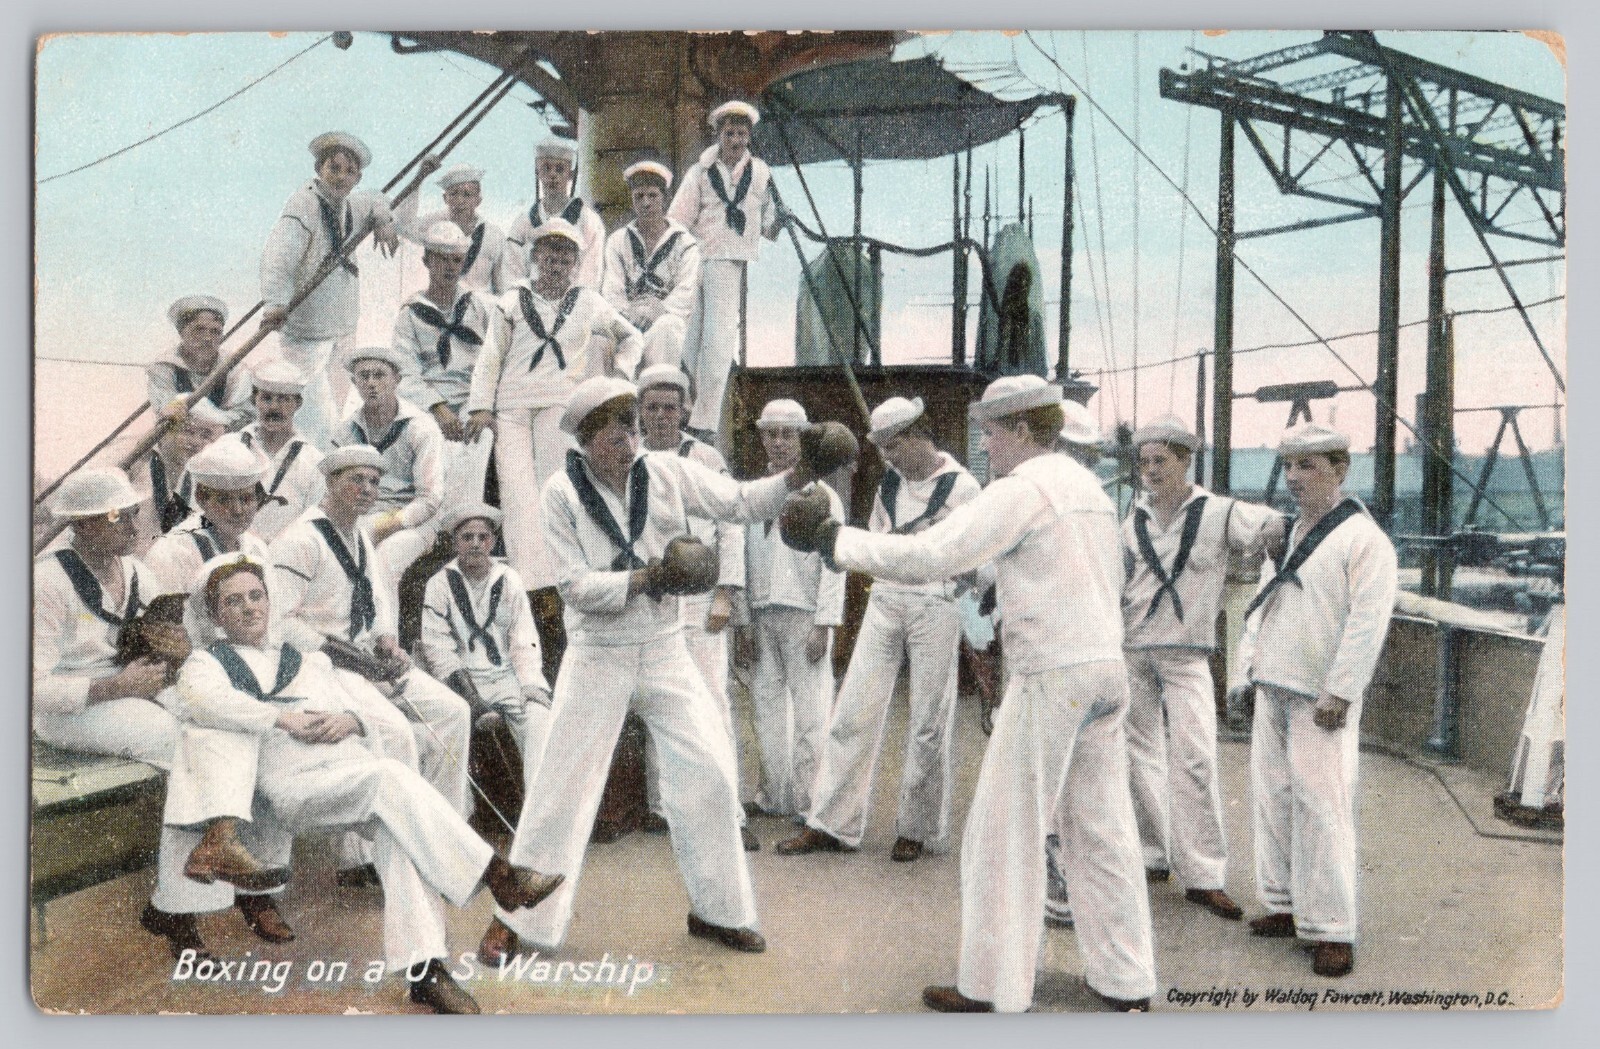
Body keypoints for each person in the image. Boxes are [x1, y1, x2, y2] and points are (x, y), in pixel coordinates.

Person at [778, 375, 1157, 1013]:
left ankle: (991, 986)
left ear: (1020, 430)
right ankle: (1127, 979)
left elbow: (936, 555)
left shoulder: (1023, 488)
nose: (985, 443)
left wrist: (835, 542)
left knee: (1001, 830)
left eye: (992, 430)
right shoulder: (1087, 487)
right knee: (1103, 828)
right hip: (1104, 671)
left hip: (1052, 677)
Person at [474, 376, 855, 965]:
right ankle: (518, 922)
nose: (626, 444)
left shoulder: (667, 472)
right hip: (597, 653)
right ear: (583, 441)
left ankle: (719, 911)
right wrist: (650, 578)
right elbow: (573, 588)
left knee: (711, 771)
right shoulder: (558, 493)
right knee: (560, 789)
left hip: (664, 647)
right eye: (612, 435)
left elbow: (740, 502)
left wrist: (803, 472)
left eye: (630, 430)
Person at [178, 554, 562, 1013]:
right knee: (390, 779)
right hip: (294, 786)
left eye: (256, 596)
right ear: (216, 616)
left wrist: (352, 720)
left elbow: (365, 713)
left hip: (349, 772)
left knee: (397, 831)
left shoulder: (304, 660)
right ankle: (498, 874)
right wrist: (283, 718)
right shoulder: (206, 663)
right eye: (233, 602)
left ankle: (425, 971)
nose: (248, 608)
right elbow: (207, 704)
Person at [32, 467, 273, 961]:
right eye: (120, 516)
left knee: (218, 721)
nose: (132, 526)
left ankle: (178, 901)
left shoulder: (136, 571)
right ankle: (180, 911)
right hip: (72, 708)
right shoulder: (46, 581)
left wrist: (171, 653)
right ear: (83, 523)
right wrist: (116, 685)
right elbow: (29, 689)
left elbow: (157, 634)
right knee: (177, 743)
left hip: (134, 688)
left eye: (135, 514)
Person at [777, 396, 979, 863]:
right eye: (883, 450)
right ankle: (831, 823)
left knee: (929, 719)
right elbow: (873, 541)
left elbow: (968, 556)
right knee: (852, 711)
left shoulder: (964, 489)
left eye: (893, 448)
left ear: (917, 437)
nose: (888, 459)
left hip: (938, 602)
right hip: (887, 599)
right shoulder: (890, 482)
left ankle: (917, 827)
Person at [1230, 423, 1397, 980]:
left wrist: (1342, 690)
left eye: (1309, 466)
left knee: (1323, 807)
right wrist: (1245, 672)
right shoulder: (1285, 534)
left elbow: (1367, 624)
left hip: (1321, 694)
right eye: (1289, 466)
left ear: (1340, 469)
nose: (1295, 477)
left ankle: (1332, 929)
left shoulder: (1364, 540)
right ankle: (1283, 902)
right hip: (1274, 681)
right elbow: (1262, 606)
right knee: (1273, 796)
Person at [267, 444, 473, 883]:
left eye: (374, 482)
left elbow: (378, 600)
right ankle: (368, 860)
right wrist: (350, 657)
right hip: (323, 665)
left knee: (454, 712)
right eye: (355, 479)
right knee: (394, 731)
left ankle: (442, 842)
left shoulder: (358, 533)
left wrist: (388, 644)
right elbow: (279, 623)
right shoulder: (300, 539)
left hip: (366, 659)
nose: (366, 489)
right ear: (330, 482)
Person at [1118, 415, 1282, 919]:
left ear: (1185, 461)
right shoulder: (1134, 519)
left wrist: (1259, 574)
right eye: (1144, 463)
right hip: (1133, 648)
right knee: (1137, 754)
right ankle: (1153, 854)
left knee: (1194, 757)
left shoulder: (1220, 512)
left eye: (1160, 462)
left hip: (1187, 654)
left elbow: (1275, 527)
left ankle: (1204, 875)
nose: (1151, 471)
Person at [467, 219, 642, 683]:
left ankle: (561, 599)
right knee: (519, 503)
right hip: (510, 409)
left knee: (552, 499)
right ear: (535, 256)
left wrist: (621, 374)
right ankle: (532, 605)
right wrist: (481, 407)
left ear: (577, 262)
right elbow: (491, 356)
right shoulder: (509, 302)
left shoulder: (589, 302)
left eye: (567, 256)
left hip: (558, 408)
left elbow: (632, 336)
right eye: (549, 254)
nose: (557, 262)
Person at [634, 364, 755, 851]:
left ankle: (731, 810)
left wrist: (726, 591)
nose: (662, 416)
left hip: (704, 597)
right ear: (640, 412)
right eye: (652, 408)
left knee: (711, 700)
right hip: (655, 594)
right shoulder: (632, 458)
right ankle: (664, 806)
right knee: (659, 700)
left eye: (670, 407)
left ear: (685, 409)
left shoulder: (705, 456)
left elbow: (731, 523)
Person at [259, 131, 399, 450]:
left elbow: (378, 198)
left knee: (335, 409)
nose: (340, 177)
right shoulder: (304, 204)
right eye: (333, 168)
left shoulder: (352, 205)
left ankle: (322, 480)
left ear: (357, 177)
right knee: (313, 417)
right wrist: (275, 304)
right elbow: (279, 256)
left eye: (349, 172)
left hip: (342, 330)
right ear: (319, 169)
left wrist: (384, 220)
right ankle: (308, 479)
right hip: (305, 335)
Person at [742, 399, 844, 822]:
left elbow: (835, 564)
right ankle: (773, 797)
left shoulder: (823, 496)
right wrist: (743, 623)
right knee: (766, 707)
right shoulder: (751, 494)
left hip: (805, 616)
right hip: (761, 614)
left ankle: (809, 803)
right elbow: (741, 560)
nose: (780, 443)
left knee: (811, 712)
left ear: (804, 439)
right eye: (772, 434)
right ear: (762, 437)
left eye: (789, 434)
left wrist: (824, 623)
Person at [419, 504, 553, 812]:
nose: (476, 544)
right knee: (448, 728)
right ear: (455, 542)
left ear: (493, 542)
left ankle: (540, 820)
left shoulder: (509, 580)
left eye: (483, 537)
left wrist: (531, 684)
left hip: (505, 676)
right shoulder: (439, 584)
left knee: (540, 721)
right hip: (460, 680)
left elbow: (523, 638)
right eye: (467, 537)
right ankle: (457, 819)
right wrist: (472, 699)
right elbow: (437, 648)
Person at [668, 100, 782, 435]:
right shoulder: (700, 172)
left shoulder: (760, 174)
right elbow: (677, 219)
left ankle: (704, 421)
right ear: (718, 135)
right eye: (729, 133)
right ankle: (683, 406)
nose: (736, 140)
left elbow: (769, 222)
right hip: (695, 258)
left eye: (742, 133)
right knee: (688, 337)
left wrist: (779, 222)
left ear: (749, 136)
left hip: (729, 262)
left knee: (718, 343)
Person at [390, 221, 498, 507]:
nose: (449, 267)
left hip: (473, 400)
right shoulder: (411, 315)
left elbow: (497, 359)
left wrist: (483, 406)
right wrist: (438, 409)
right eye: (440, 259)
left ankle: (468, 521)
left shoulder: (480, 307)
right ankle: (433, 522)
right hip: (428, 404)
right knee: (425, 441)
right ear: (426, 260)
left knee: (481, 438)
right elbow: (405, 373)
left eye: (456, 260)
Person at [330, 345, 446, 600]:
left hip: (415, 522)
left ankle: (385, 639)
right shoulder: (346, 431)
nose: (371, 383)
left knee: (384, 560)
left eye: (379, 375)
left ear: (397, 380)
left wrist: (383, 525)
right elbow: (335, 490)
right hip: (362, 518)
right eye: (364, 376)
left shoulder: (421, 427)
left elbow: (430, 499)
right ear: (354, 382)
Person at [601, 161, 701, 370]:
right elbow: (612, 291)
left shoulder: (685, 243)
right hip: (629, 320)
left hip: (667, 322)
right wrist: (631, 313)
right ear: (632, 200)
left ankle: (660, 391)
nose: (646, 203)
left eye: (652, 195)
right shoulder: (618, 241)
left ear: (665, 198)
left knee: (667, 327)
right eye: (639, 196)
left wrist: (656, 311)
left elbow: (686, 294)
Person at [144, 438, 274, 599]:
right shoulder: (171, 553)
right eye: (224, 500)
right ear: (201, 498)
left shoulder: (257, 549)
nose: (238, 511)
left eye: (246, 499)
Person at [232, 360, 326, 544]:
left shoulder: (314, 461)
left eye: (283, 399)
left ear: (298, 403)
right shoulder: (231, 447)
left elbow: (314, 523)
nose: (274, 407)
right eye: (267, 398)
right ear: (254, 400)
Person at [502, 134, 606, 290]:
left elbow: (590, 275)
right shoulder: (523, 223)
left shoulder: (588, 220)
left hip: (574, 305)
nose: (553, 175)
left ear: (570, 175)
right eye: (546, 168)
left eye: (559, 169)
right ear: (538, 173)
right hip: (531, 304)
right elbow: (512, 273)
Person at [395, 162, 509, 295]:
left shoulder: (494, 236)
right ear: (445, 198)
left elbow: (502, 288)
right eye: (454, 194)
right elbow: (403, 225)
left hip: (480, 311)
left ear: (478, 200)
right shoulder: (433, 224)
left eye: (467, 194)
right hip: (440, 307)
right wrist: (419, 178)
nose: (460, 200)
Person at [146, 294, 252, 432]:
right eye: (199, 329)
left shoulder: (235, 367)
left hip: (224, 438)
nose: (208, 338)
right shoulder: (163, 367)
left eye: (215, 331)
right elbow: (168, 410)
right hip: (179, 436)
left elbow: (244, 415)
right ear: (182, 332)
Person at [135, 399, 230, 539]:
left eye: (206, 435)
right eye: (187, 431)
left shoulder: (207, 480)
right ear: (164, 433)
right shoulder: (144, 464)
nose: (195, 442)